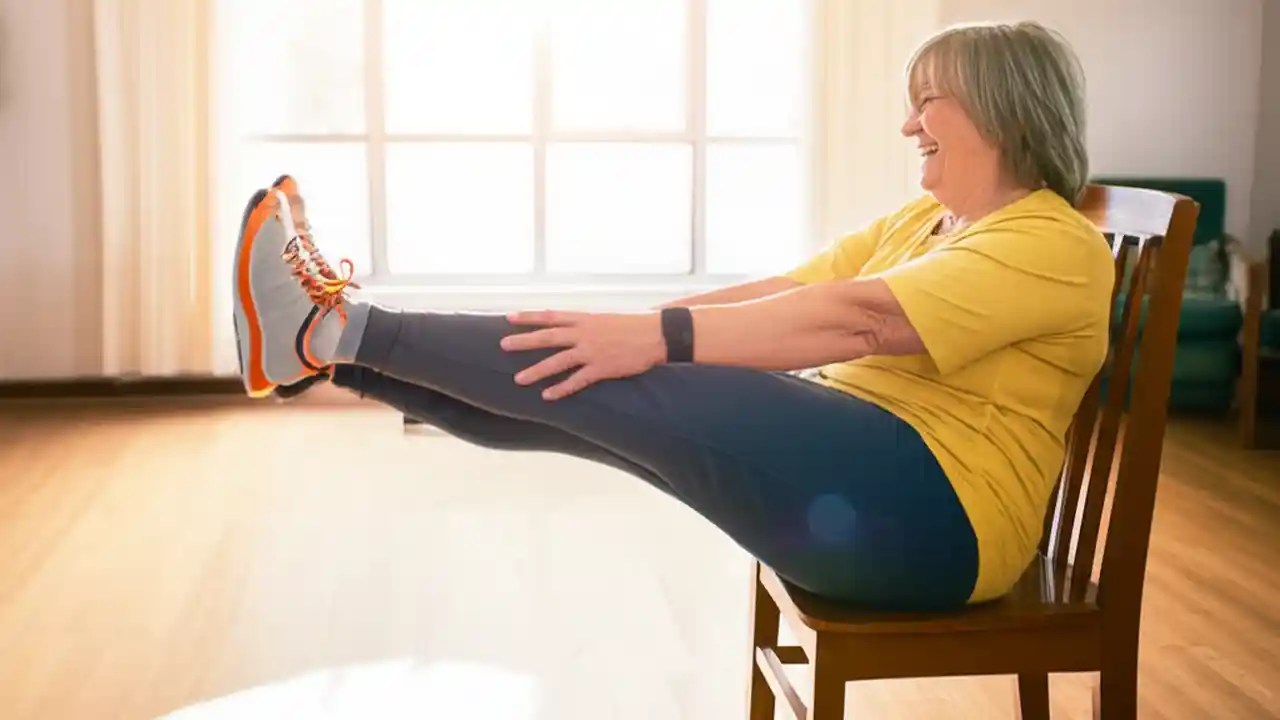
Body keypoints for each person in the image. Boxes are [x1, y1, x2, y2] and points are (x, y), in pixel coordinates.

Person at [231, 21, 1113, 612]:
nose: (906, 123)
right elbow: (791, 289)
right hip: (870, 478)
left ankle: (337, 331)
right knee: (591, 395)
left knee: (638, 371)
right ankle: (334, 350)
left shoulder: (1053, 240)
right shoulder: (925, 221)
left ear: (1003, 105)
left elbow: (861, 322)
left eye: (929, 100)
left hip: (931, 523)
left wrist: (652, 341)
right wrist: (636, 325)